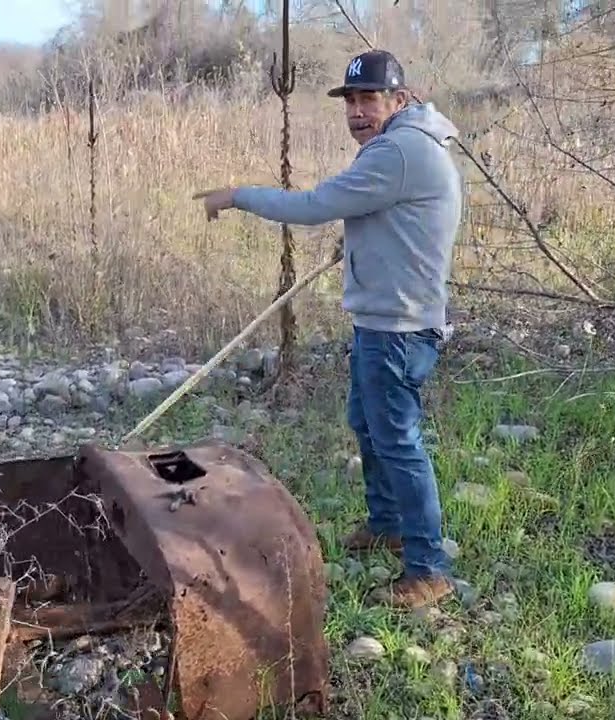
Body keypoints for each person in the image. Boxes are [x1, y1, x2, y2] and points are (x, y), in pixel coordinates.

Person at [196, 49, 463, 609]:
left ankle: (429, 569)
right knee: (367, 424)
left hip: (398, 327)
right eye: (352, 100)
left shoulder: (398, 151)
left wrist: (237, 195)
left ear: (399, 99)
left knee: (398, 440)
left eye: (370, 98)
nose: (359, 111)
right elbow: (393, 216)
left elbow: (316, 205)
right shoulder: (409, 143)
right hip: (386, 319)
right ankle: (388, 523)